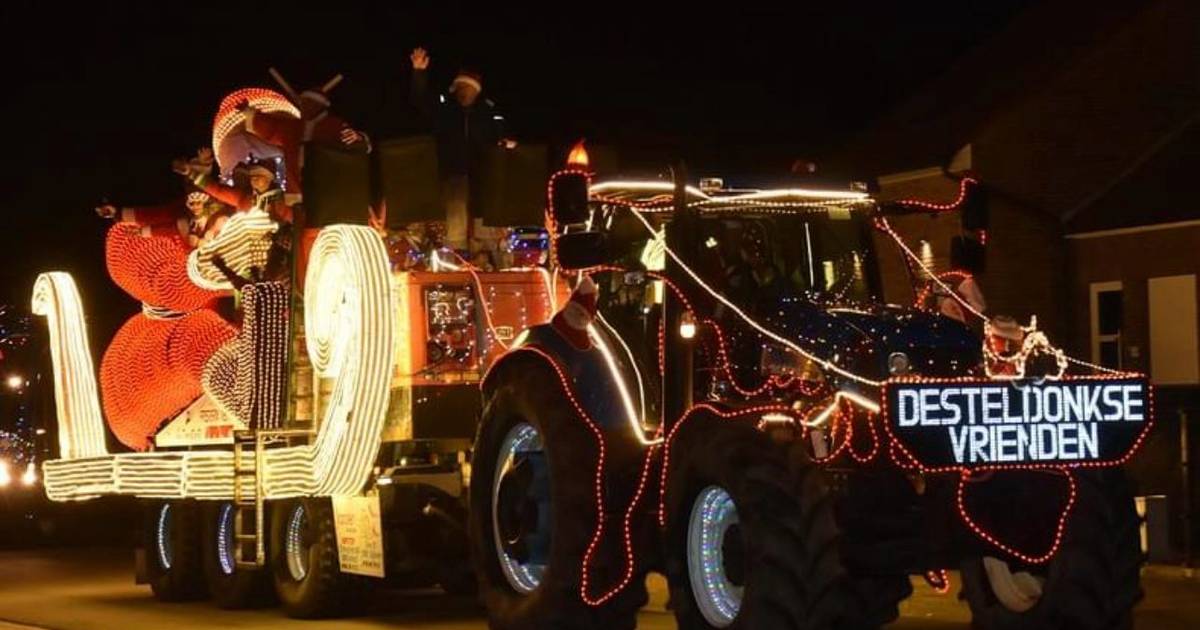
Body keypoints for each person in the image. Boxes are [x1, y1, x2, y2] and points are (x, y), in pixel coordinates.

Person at [409, 47, 513, 249]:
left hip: (483, 173)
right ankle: (457, 254)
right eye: (461, 87)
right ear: (455, 88)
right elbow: (420, 99)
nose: (465, 92)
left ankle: (486, 253)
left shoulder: (488, 111)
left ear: (476, 91)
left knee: (484, 215)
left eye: (469, 88)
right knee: (456, 210)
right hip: (453, 171)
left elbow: (501, 133)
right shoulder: (445, 108)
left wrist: (507, 143)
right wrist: (419, 72)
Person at [241, 86, 369, 196]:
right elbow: (272, 128)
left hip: (325, 186)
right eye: (302, 102)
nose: (303, 106)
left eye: (308, 102)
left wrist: (359, 138)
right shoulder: (293, 127)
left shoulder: (335, 126)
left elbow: (354, 143)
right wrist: (249, 112)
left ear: (320, 105)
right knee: (299, 219)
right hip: (296, 187)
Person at [175, 149, 292, 225]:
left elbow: (292, 220)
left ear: (269, 179)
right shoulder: (245, 197)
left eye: (259, 176)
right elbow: (218, 190)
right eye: (252, 176)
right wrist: (191, 173)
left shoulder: (280, 201)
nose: (254, 179)